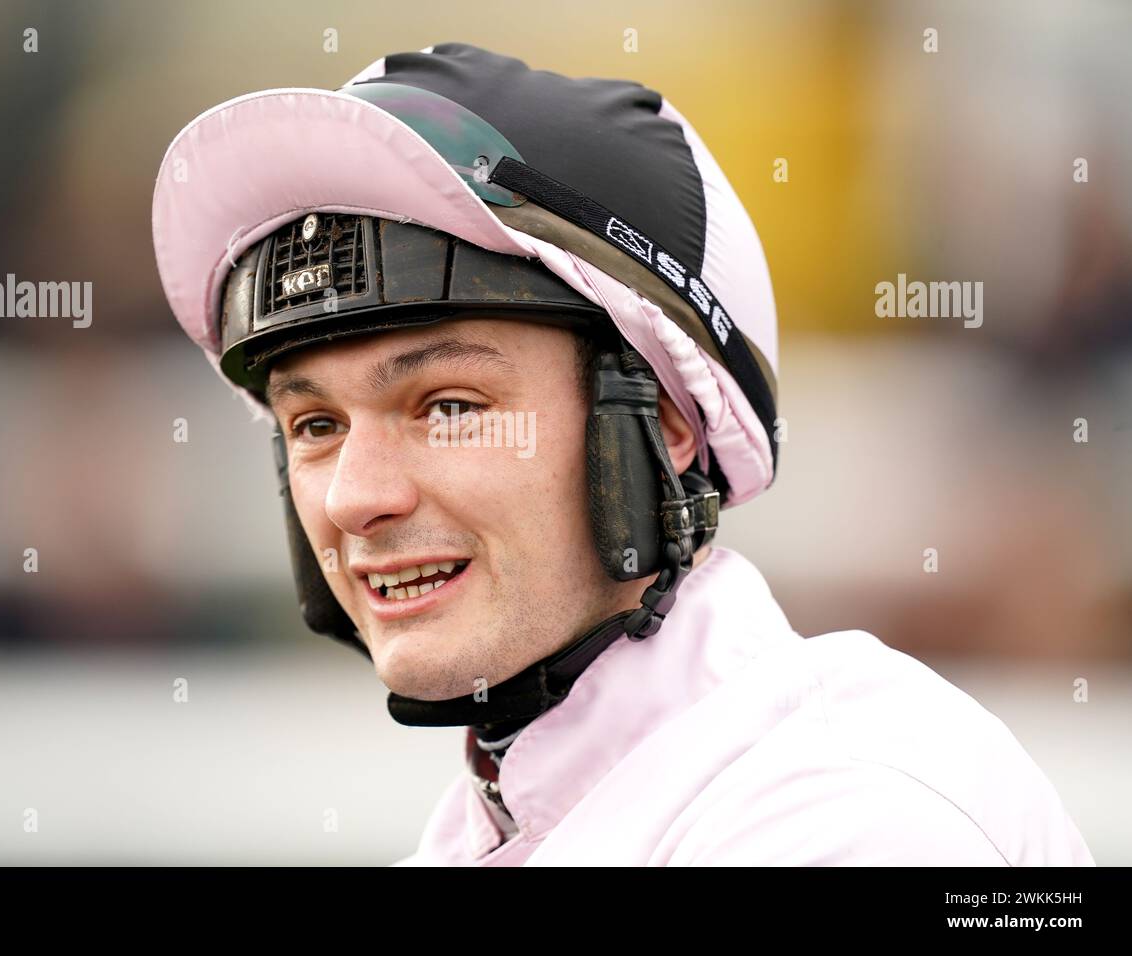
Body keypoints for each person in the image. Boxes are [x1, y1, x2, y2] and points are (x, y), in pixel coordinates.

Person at [152, 42, 1094, 865]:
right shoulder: (493, 827)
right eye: (316, 426)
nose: (356, 498)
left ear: (668, 421)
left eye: (446, 406)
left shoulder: (848, 811)